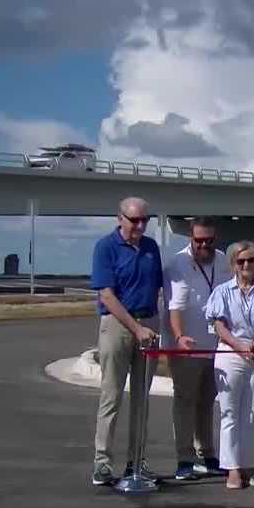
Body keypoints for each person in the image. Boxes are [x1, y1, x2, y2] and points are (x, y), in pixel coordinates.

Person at [90, 197, 163, 486]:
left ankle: (137, 461)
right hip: (118, 325)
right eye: (134, 220)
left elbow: (157, 285)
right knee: (111, 396)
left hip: (148, 322)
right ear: (120, 218)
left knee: (141, 400)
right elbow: (106, 294)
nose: (140, 226)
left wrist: (152, 325)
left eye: (145, 220)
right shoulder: (105, 247)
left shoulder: (150, 248)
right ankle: (102, 463)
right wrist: (135, 328)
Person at [205, 241, 254, 490]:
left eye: (250, 260)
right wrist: (239, 346)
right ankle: (232, 470)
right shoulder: (222, 291)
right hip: (230, 353)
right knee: (230, 413)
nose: (246, 265)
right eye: (241, 261)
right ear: (233, 265)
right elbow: (219, 326)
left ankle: (244, 465)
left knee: (250, 414)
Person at [163, 216, 231, 480]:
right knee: (185, 401)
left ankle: (208, 453)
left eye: (209, 241)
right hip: (186, 347)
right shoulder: (178, 263)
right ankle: (185, 458)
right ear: (190, 238)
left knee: (206, 402)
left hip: (215, 346)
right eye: (199, 240)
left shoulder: (223, 259)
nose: (204, 245)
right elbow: (175, 306)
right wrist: (179, 336)